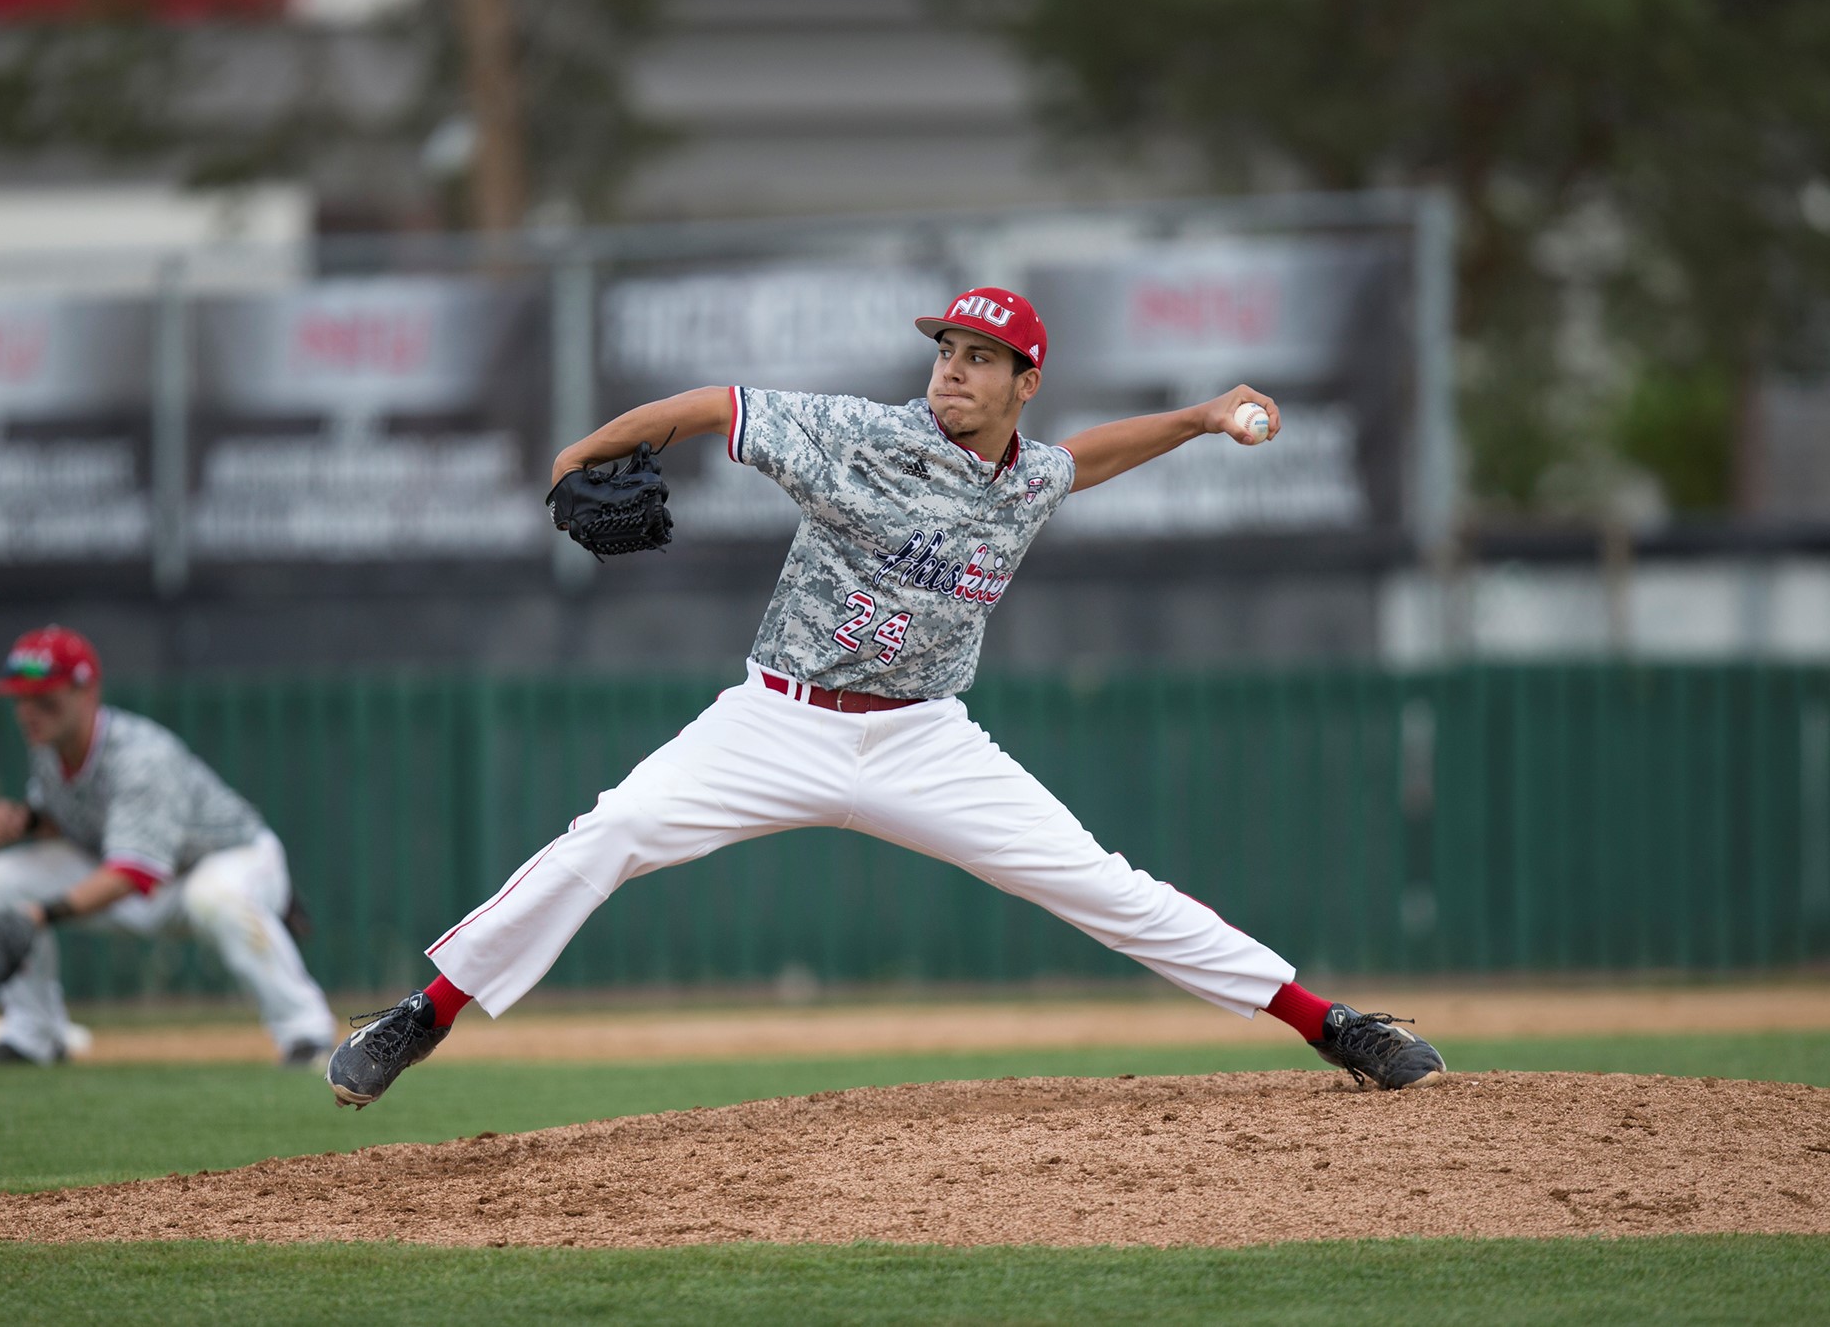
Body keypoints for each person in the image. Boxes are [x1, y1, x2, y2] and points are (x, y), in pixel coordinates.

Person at [326, 287, 1444, 1105]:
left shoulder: (1028, 474)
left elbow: (1080, 460)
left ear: (1023, 383)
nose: (952, 369)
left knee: (1103, 886)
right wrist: (585, 447)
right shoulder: (861, 436)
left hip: (923, 742)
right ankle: (418, 1018)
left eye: (979, 356)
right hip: (775, 721)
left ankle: (1326, 1022)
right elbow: (716, 404)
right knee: (610, 830)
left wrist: (1197, 418)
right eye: (945, 348)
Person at [0, 625, 338, 1065]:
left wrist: (39, 915)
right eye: (21, 698)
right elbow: (79, 824)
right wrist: (27, 821)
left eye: (44, 697)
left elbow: (133, 873)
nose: (29, 710)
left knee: (215, 896)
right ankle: (33, 1035)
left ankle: (307, 1033)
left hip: (228, 860)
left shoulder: (140, 756)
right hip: (144, 876)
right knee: (5, 879)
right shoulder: (51, 749)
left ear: (85, 693)